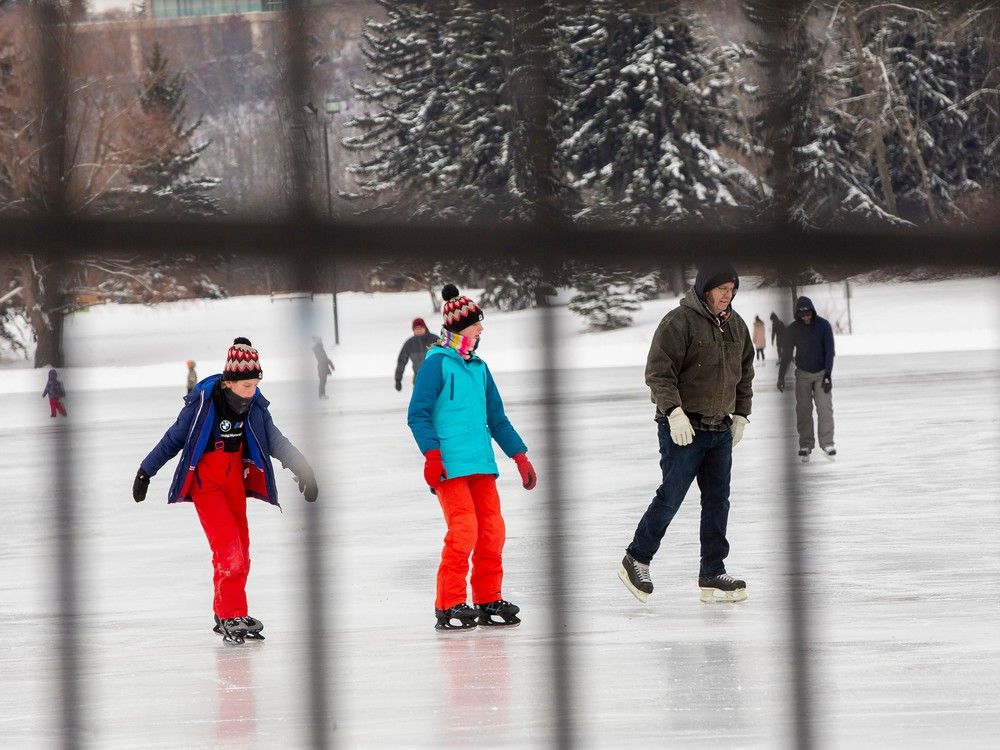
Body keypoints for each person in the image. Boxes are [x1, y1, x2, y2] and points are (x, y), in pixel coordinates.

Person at [132, 337, 319, 644]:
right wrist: (146, 470)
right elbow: (173, 438)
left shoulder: (255, 407)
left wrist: (303, 468)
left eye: (256, 385)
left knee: (241, 552)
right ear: (230, 383)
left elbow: (276, 441)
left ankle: (230, 612)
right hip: (207, 484)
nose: (252, 392)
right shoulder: (204, 403)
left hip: (234, 481)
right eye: (246, 386)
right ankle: (229, 613)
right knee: (228, 550)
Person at [619, 264, 754, 605]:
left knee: (717, 502)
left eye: (732, 288)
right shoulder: (678, 322)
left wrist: (741, 414)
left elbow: (745, 373)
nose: (728, 294)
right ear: (705, 289)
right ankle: (637, 557)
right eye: (722, 288)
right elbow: (658, 373)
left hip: (719, 428)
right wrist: (673, 411)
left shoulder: (737, 326)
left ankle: (712, 570)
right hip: (683, 427)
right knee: (671, 496)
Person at [407, 285, 537, 632]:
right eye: (476, 324)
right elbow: (417, 414)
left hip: (481, 462)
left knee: (492, 531)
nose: (481, 330)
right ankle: (448, 603)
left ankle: (487, 597)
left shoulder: (479, 367)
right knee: (464, 531)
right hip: (449, 465)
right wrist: (432, 455)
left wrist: (519, 455)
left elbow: (497, 418)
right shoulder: (436, 363)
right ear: (459, 327)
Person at [777, 296, 836, 461]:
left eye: (808, 314)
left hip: (821, 373)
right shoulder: (793, 329)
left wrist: (828, 376)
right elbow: (787, 354)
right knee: (803, 410)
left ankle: (827, 443)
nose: (806, 317)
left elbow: (830, 351)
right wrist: (781, 376)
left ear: (812, 311)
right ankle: (806, 444)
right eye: (802, 315)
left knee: (825, 409)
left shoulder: (823, 326)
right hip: (802, 374)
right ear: (798, 315)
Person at [395, 317, 438, 391]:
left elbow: (446, 357)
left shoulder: (435, 340)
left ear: (425, 328)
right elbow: (402, 360)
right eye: (416, 329)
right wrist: (398, 379)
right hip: (418, 380)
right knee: (420, 402)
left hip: (435, 378)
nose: (419, 330)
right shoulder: (410, 343)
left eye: (420, 328)